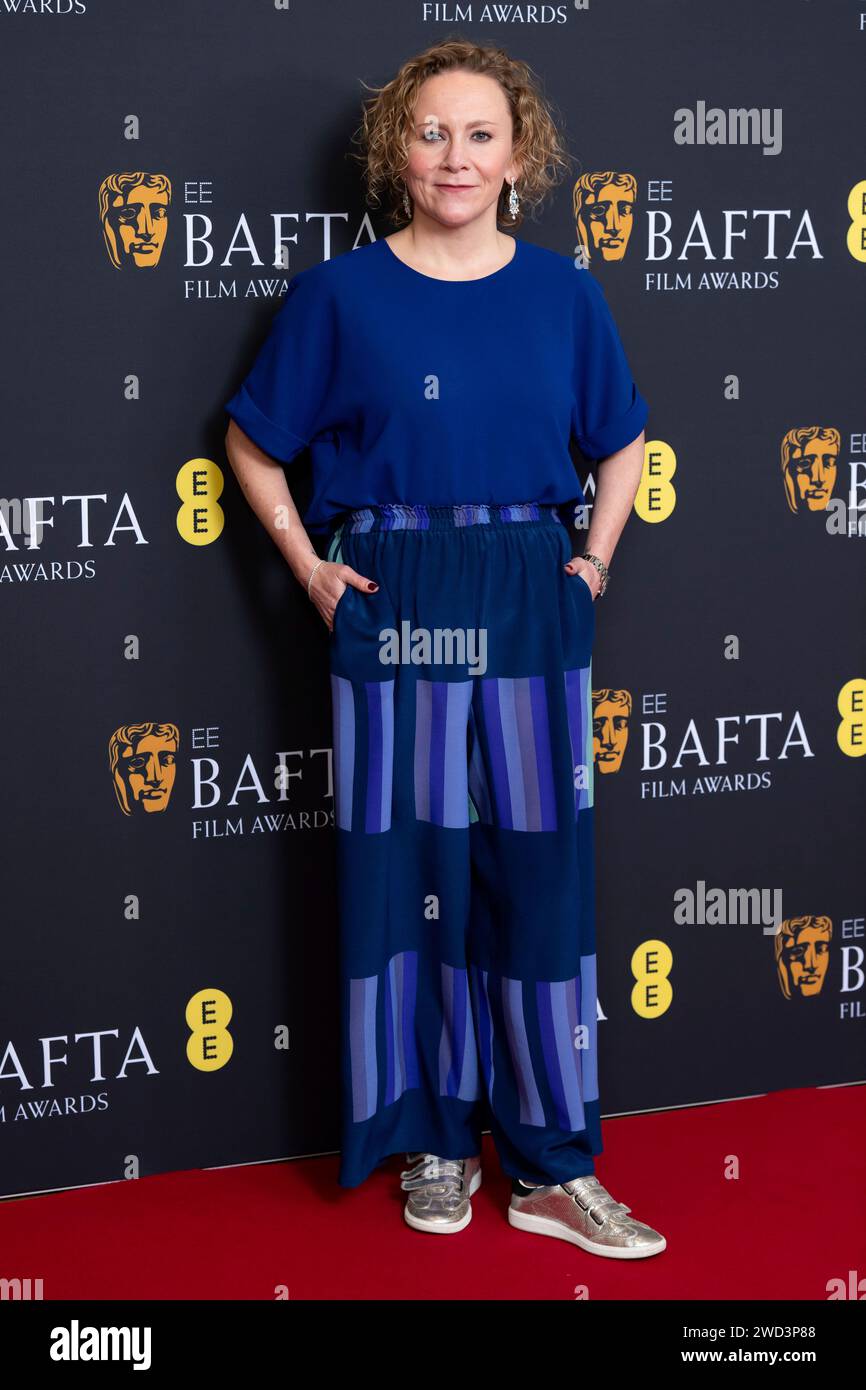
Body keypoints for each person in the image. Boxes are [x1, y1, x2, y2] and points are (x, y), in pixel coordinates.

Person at [224, 38, 666, 1259]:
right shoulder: (340, 297)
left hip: (528, 583)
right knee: (403, 871)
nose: (453, 156)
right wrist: (310, 567)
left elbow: (620, 440)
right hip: (397, 585)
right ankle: (429, 1137)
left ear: (517, 153)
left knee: (535, 879)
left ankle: (547, 1162)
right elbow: (253, 444)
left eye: (478, 133)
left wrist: (591, 562)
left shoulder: (564, 294)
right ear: (394, 153)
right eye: (429, 132)